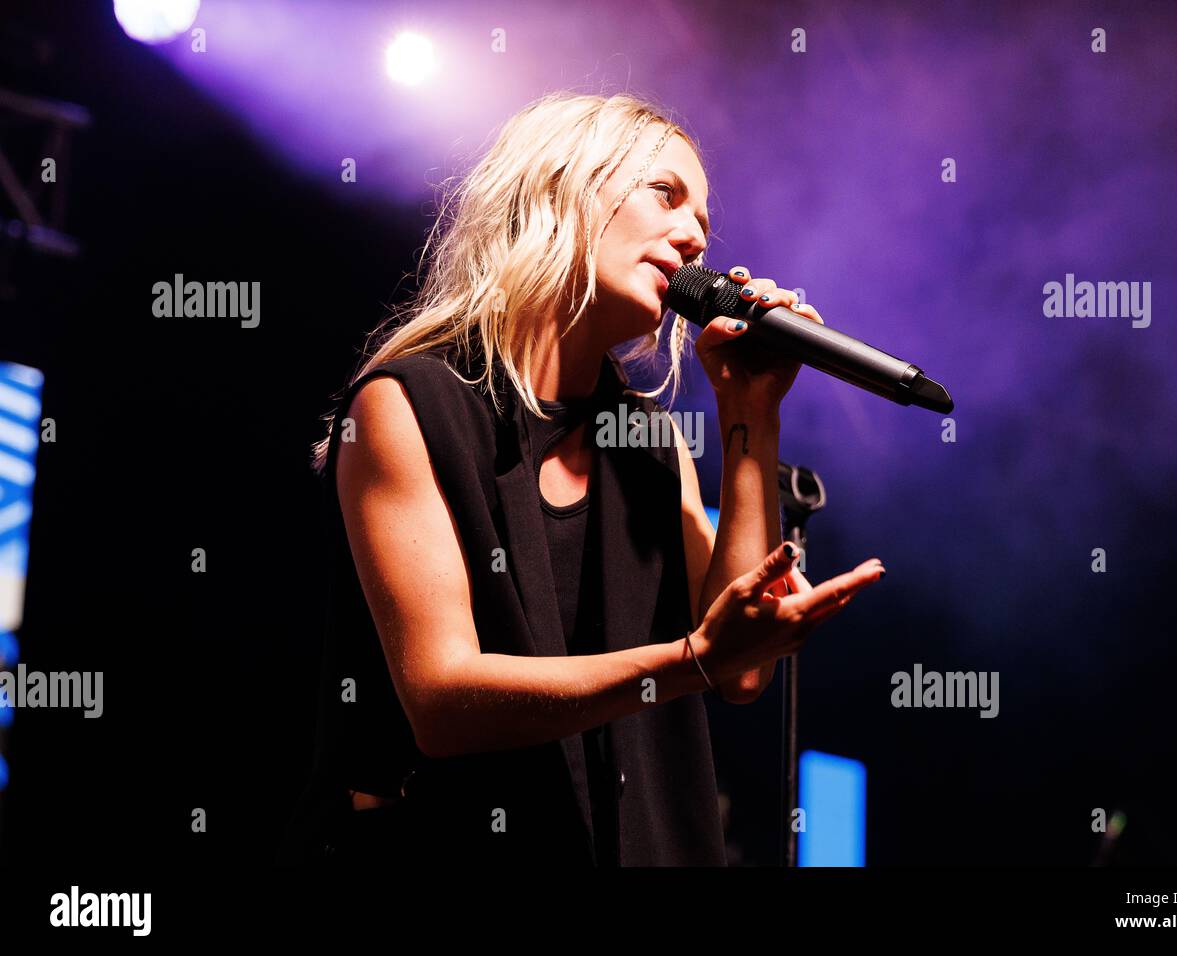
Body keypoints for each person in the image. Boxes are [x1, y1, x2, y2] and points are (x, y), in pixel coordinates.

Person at [278, 91, 886, 867]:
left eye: (704, 219)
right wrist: (690, 658)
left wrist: (751, 413)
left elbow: (743, 673)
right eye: (665, 193)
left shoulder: (648, 442)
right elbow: (441, 702)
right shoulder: (406, 407)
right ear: (559, 189)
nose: (697, 234)